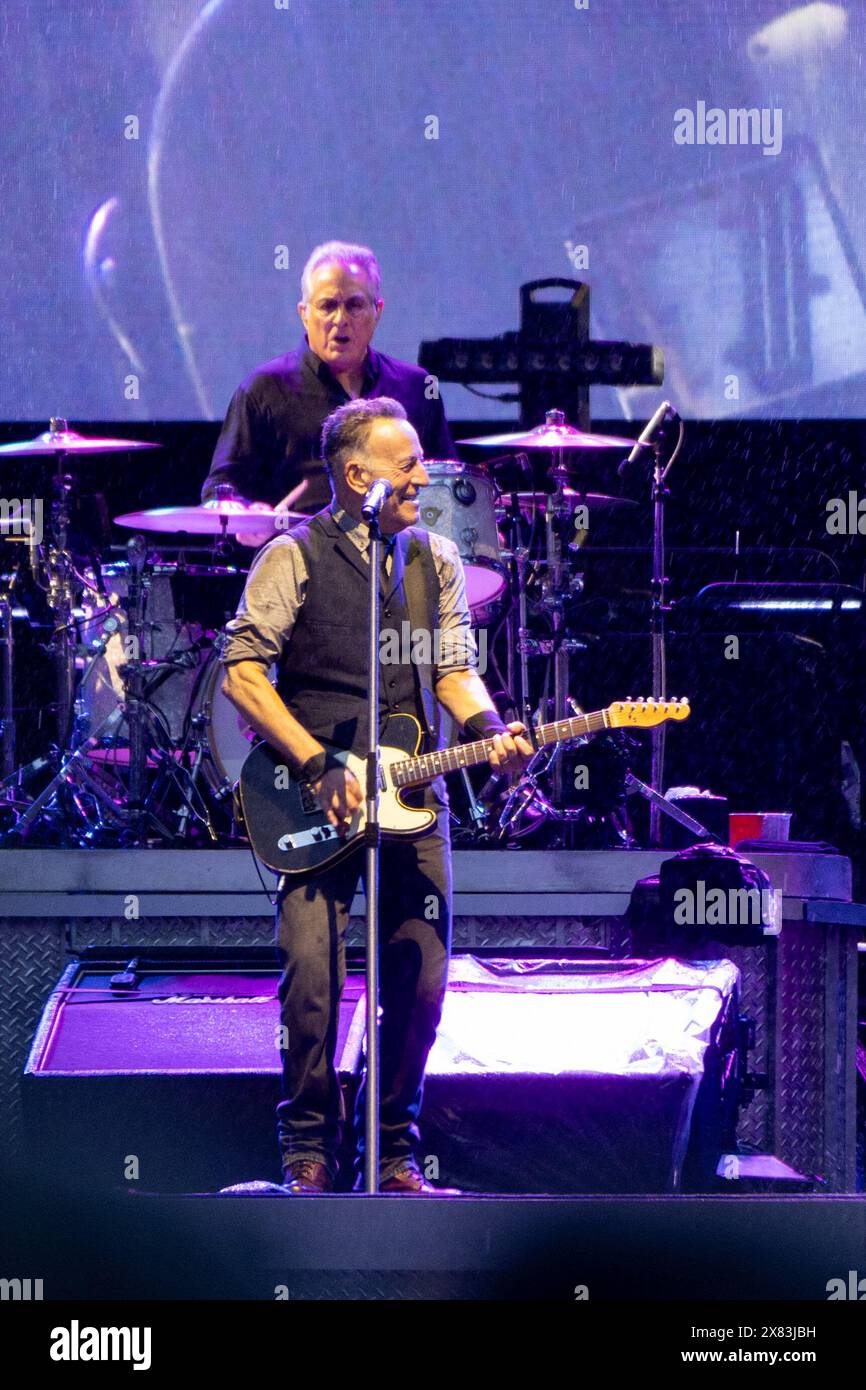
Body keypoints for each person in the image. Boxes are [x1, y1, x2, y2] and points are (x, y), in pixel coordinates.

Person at [220, 396, 532, 1194]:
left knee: (422, 986)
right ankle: (309, 1153)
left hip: (413, 796)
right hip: (312, 797)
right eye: (409, 466)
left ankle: (394, 1152)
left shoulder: (436, 561)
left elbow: (455, 670)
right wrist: (317, 762)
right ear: (357, 476)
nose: (424, 478)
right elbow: (244, 674)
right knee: (314, 987)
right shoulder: (292, 556)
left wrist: (490, 730)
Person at [201, 239, 455, 542]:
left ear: (378, 311)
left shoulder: (415, 387)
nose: (340, 319)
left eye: (355, 305)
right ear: (304, 313)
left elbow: (445, 483)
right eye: (327, 306)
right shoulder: (265, 390)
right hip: (303, 568)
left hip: (400, 567)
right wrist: (247, 514)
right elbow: (220, 490)